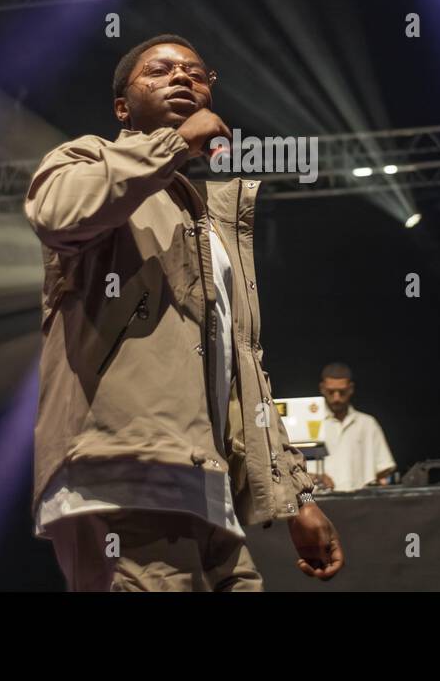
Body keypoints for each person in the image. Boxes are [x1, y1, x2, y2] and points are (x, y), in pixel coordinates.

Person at [23, 32, 344, 590]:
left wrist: (295, 496)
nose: (181, 78)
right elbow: (58, 212)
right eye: (161, 70)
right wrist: (170, 144)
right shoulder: (86, 159)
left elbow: (239, 373)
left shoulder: (208, 224)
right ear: (123, 106)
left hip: (206, 486)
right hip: (121, 474)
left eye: (196, 73)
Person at [312, 363, 397, 491]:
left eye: (342, 392)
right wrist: (312, 477)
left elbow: (384, 467)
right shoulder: (310, 423)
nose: (336, 398)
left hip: (359, 503)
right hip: (318, 503)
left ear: (351, 388)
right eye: (331, 392)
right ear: (322, 388)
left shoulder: (367, 424)